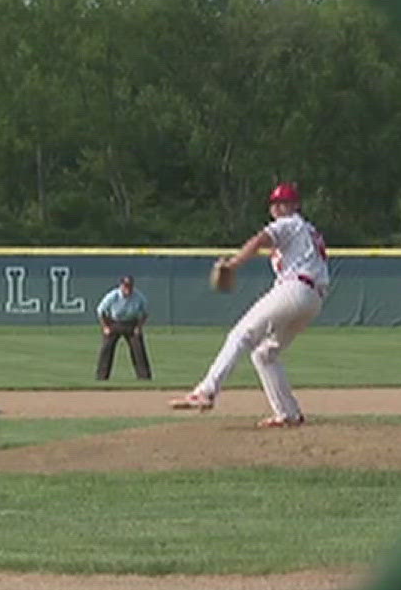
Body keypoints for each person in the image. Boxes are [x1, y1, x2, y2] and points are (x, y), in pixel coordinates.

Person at [170, 181, 328, 427]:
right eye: (275, 203)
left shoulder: (289, 224)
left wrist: (233, 264)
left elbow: (258, 241)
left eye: (284, 202)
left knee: (241, 334)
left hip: (296, 288)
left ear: (295, 205)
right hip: (313, 298)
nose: (278, 207)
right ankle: (288, 414)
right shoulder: (308, 230)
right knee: (265, 354)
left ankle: (206, 390)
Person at [95, 275, 152, 381]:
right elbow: (100, 311)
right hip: (114, 323)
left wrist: (139, 327)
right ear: (121, 286)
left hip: (131, 323)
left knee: (138, 349)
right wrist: (106, 327)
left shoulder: (138, 296)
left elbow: (145, 312)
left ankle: (144, 376)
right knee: (106, 348)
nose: (128, 289)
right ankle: (102, 376)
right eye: (126, 286)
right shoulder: (113, 295)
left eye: (130, 286)